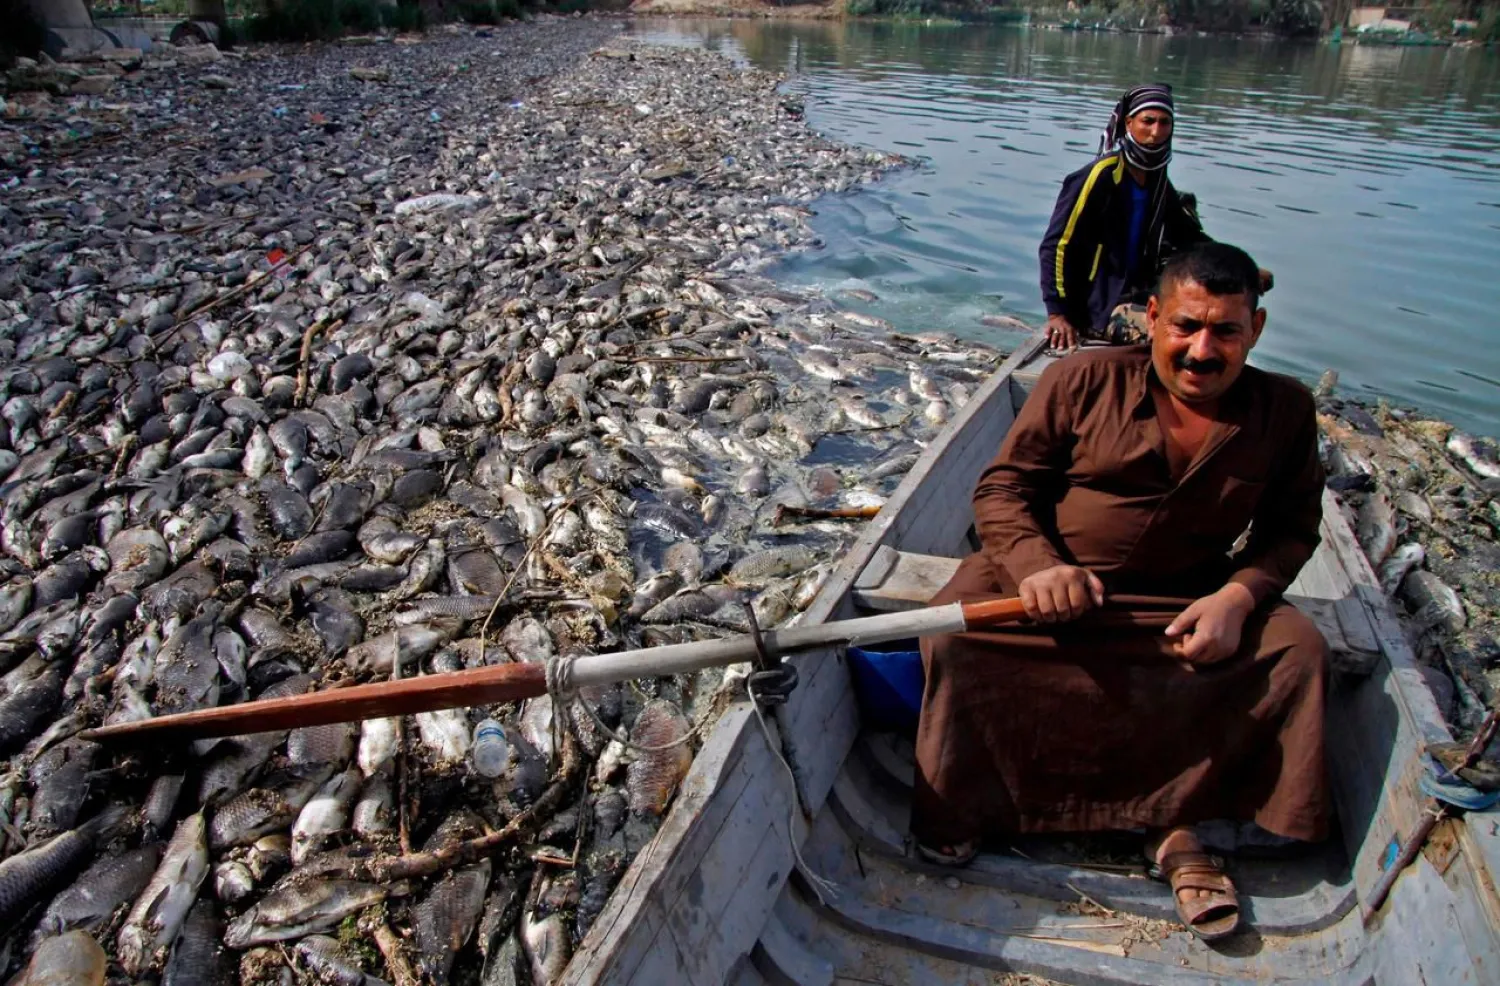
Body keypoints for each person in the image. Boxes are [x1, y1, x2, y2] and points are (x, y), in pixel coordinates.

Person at [914, 242, 1327, 941]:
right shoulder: (1083, 379)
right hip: (1048, 589)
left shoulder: (1285, 409)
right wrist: (1039, 567)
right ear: (1154, 317)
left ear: (1255, 329)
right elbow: (1003, 490)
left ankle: (1178, 819)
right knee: (953, 639)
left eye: (1225, 332)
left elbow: (1291, 532)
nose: (1202, 351)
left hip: (1183, 600)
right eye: (1186, 327)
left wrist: (1237, 598)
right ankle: (984, 802)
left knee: (1298, 652)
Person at [1037, 84, 1273, 351]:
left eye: (1164, 123)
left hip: (1142, 291)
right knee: (1175, 336)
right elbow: (1056, 245)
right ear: (1129, 123)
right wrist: (1057, 313)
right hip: (1099, 305)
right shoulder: (1100, 176)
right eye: (1148, 121)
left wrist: (1243, 270)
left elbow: (1186, 236)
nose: (1156, 131)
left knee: (1225, 325)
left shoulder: (1156, 177)